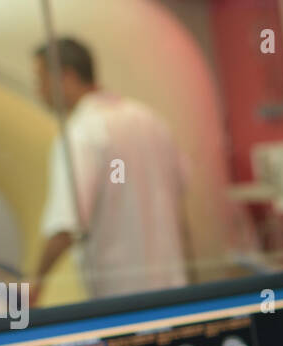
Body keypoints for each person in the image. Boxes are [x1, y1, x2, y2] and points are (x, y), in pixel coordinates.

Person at [31, 36, 192, 302]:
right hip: (174, 288)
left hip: (122, 298)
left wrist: (35, 284)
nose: (39, 91)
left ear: (66, 76)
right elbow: (181, 194)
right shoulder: (149, 119)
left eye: (41, 79)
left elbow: (65, 225)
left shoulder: (80, 133)